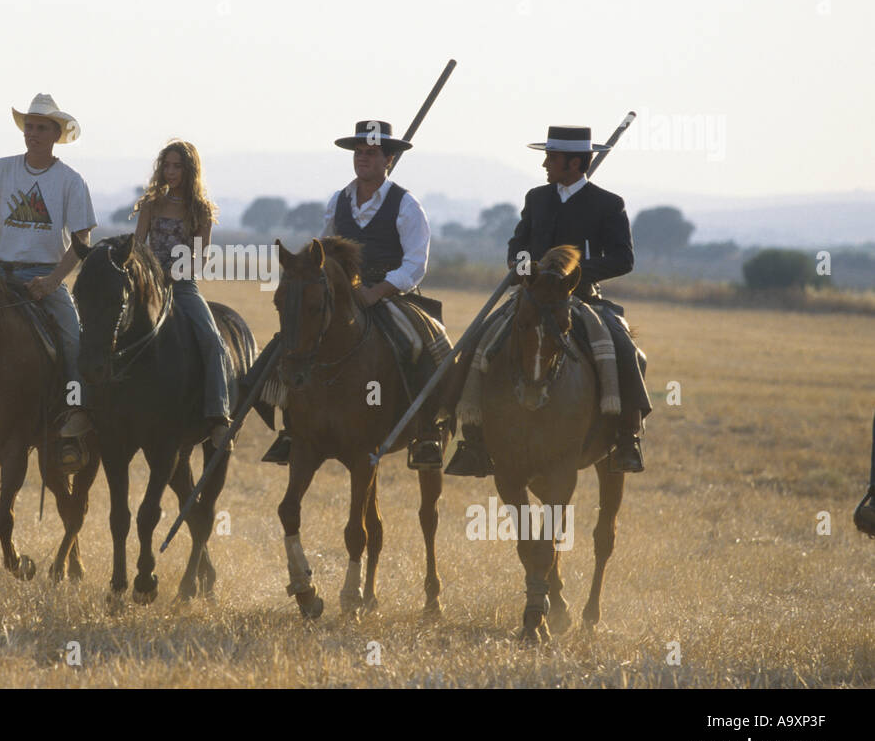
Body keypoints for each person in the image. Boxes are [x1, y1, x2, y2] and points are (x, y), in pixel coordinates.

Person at [444, 124, 650, 476]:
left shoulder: (608, 204)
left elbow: (623, 259)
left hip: (582, 296)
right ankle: (472, 438)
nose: (544, 165)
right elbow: (518, 243)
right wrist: (522, 265)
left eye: (551, 158)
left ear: (574, 163)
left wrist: (572, 272)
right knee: (478, 341)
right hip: (531, 296)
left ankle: (627, 435)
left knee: (625, 348)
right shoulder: (536, 198)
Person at [259, 119, 446, 469]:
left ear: (388, 159)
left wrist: (377, 292)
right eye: (359, 153)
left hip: (391, 294)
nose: (363, 159)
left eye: (372, 153)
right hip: (342, 295)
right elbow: (322, 251)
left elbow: (415, 264)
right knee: (291, 341)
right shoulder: (338, 200)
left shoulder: (406, 205)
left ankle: (426, 433)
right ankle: (291, 428)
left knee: (423, 345)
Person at [0, 93, 96, 471]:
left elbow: (82, 241)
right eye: (29, 126)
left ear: (57, 134)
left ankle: (75, 416)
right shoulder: (0, 170)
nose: (33, 133)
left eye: (41, 128)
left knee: (74, 340)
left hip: (43, 276)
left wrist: (53, 281)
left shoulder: (70, 181)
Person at [131, 140, 233, 449]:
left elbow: (200, 258)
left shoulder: (200, 209)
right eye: (167, 165)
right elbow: (137, 246)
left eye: (177, 166)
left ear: (190, 171)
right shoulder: (150, 204)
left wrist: (173, 274)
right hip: (148, 282)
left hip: (183, 285)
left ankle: (218, 416)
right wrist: (145, 274)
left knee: (213, 341)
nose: (171, 171)